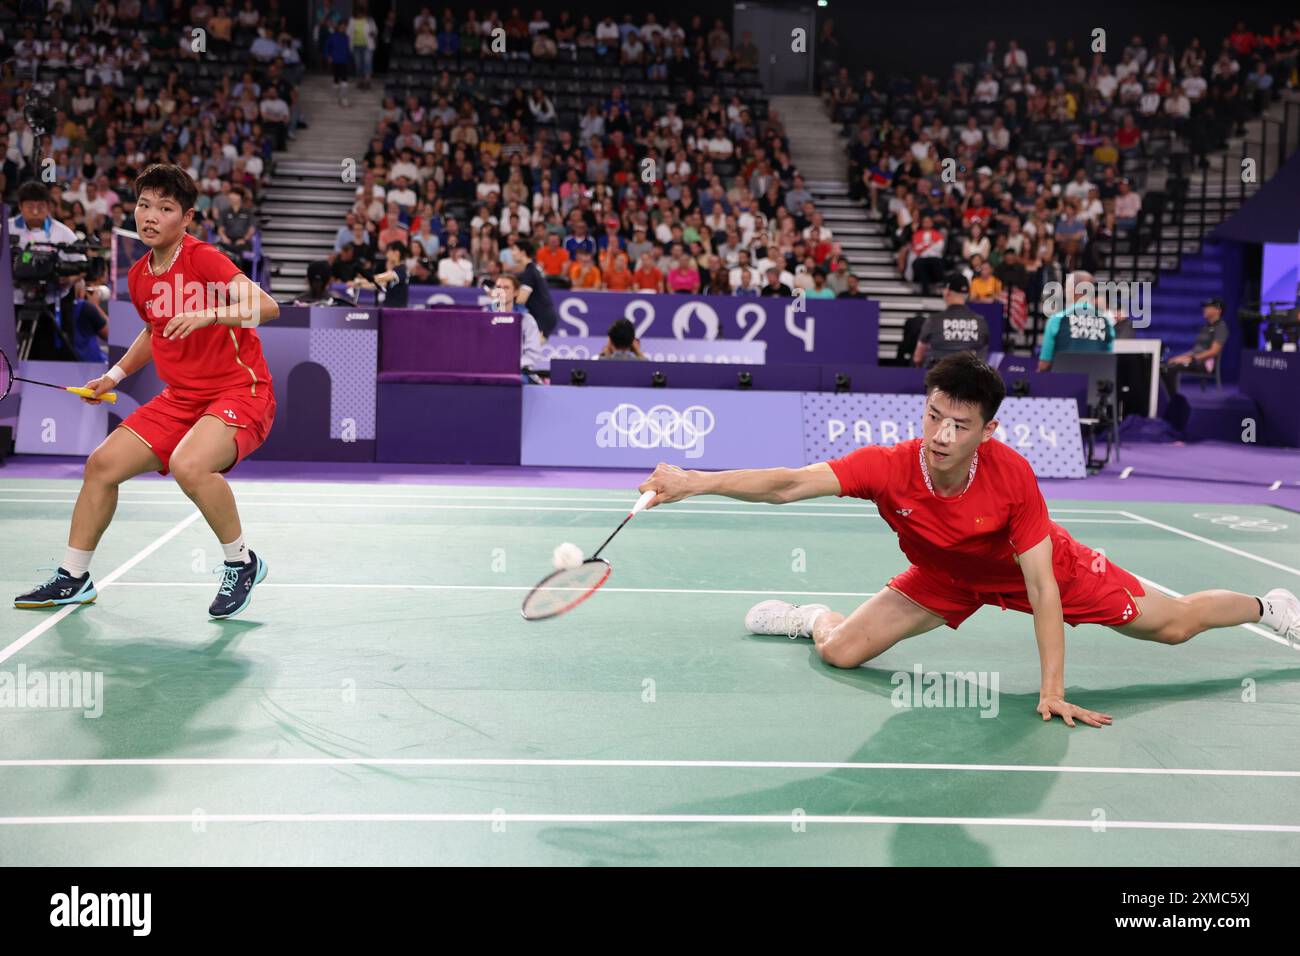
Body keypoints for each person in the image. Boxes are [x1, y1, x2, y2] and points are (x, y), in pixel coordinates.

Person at [635, 353, 1300, 726]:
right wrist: (697, 480)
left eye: (960, 424)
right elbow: (787, 484)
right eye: (934, 416)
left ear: (988, 430)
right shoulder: (887, 466)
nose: (942, 435)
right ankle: (810, 616)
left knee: (1174, 626)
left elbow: (1042, 587)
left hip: (1030, 568)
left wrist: (1052, 688)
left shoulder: (1012, 478)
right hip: (945, 577)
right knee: (840, 651)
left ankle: (1269, 606)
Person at [14, 164, 281, 619]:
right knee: (101, 465)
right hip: (181, 398)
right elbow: (151, 333)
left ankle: (241, 561)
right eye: (143, 205)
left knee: (189, 464)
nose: (150, 216)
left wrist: (209, 315)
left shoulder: (203, 259)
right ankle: (74, 576)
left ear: (187, 218)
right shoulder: (140, 275)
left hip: (240, 391)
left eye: (165, 207)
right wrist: (113, 377)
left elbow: (268, 307)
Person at [1037, 271, 1115, 372]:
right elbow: (1108, 362)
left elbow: (1044, 364)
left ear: (1072, 290)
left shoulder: (1057, 319)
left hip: (1063, 384)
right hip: (1094, 385)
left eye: (1066, 287)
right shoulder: (1107, 323)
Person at [913, 274, 989, 368]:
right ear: (967, 293)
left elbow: (917, 357)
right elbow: (984, 356)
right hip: (970, 378)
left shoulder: (934, 320)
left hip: (939, 378)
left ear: (947, 292)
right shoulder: (981, 322)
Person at [1161, 297, 1229, 396]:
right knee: (1166, 366)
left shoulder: (1221, 328)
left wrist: (1191, 359)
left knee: (1170, 369)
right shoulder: (1205, 327)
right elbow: (1195, 350)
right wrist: (1181, 357)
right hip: (1195, 359)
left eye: (1208, 307)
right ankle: (1166, 397)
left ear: (1218, 310)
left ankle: (1172, 399)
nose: (1204, 309)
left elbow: (1214, 351)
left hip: (1206, 364)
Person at [511, 239, 558, 338]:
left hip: (542, 318)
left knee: (530, 350)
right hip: (543, 317)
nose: (512, 253)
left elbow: (521, 300)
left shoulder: (530, 272)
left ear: (523, 252)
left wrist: (505, 301)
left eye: (514, 250)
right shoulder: (532, 269)